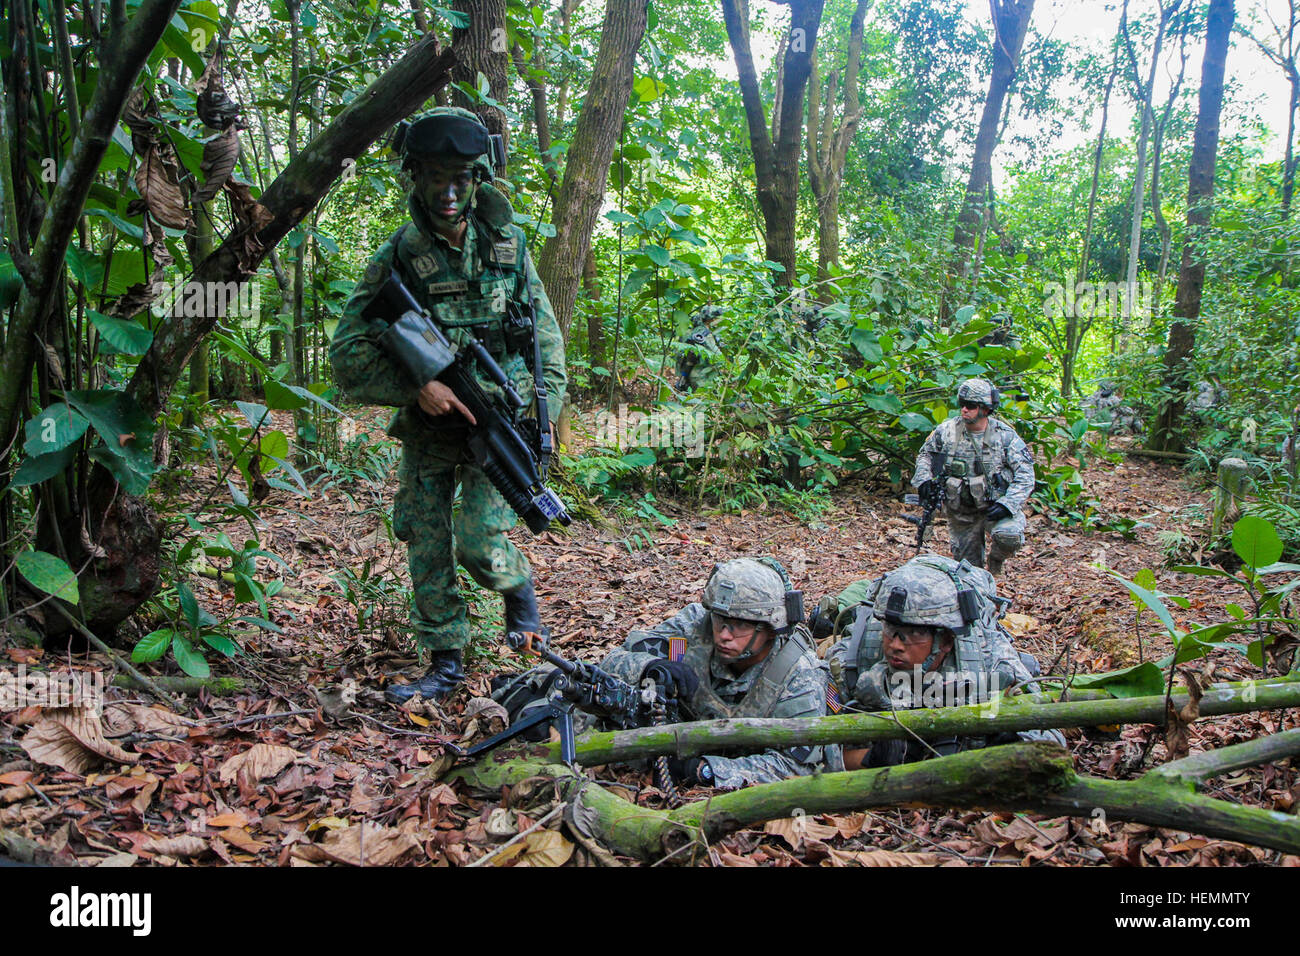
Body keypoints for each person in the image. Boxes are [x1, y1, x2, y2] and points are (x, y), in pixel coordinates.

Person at [330, 107, 567, 705]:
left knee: (481, 541)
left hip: (499, 421)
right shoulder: (400, 256)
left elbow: (545, 338)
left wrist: (548, 414)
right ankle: (445, 660)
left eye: (461, 175)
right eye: (436, 175)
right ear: (415, 177)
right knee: (426, 538)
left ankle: (519, 592)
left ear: (479, 178)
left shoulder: (509, 248)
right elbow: (348, 355)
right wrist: (418, 387)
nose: (449, 190)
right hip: (431, 426)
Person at [494, 557, 840, 789]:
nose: (723, 634)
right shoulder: (697, 623)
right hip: (666, 731)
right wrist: (650, 666)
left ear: (770, 627)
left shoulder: (798, 673)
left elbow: (796, 767)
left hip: (718, 760)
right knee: (553, 704)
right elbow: (620, 657)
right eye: (720, 620)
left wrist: (705, 771)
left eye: (739, 626)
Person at [823, 556, 1063, 769]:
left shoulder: (989, 661)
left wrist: (993, 753)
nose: (895, 644)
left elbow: (1051, 745)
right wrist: (870, 759)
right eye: (890, 629)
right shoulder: (855, 657)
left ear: (945, 641)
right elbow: (812, 754)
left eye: (914, 634)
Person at [911, 378, 1034, 575]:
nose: (964, 410)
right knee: (969, 572)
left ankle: (996, 560)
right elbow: (926, 455)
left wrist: (1007, 504)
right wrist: (924, 479)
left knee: (1008, 536)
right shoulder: (948, 431)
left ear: (985, 409)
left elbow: (1026, 475)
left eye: (971, 406)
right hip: (963, 511)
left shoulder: (1005, 436)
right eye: (962, 405)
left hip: (995, 506)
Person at [674, 305, 723, 391]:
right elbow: (718, 357)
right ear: (712, 320)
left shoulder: (692, 330)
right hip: (700, 376)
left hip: (686, 372)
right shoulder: (705, 334)